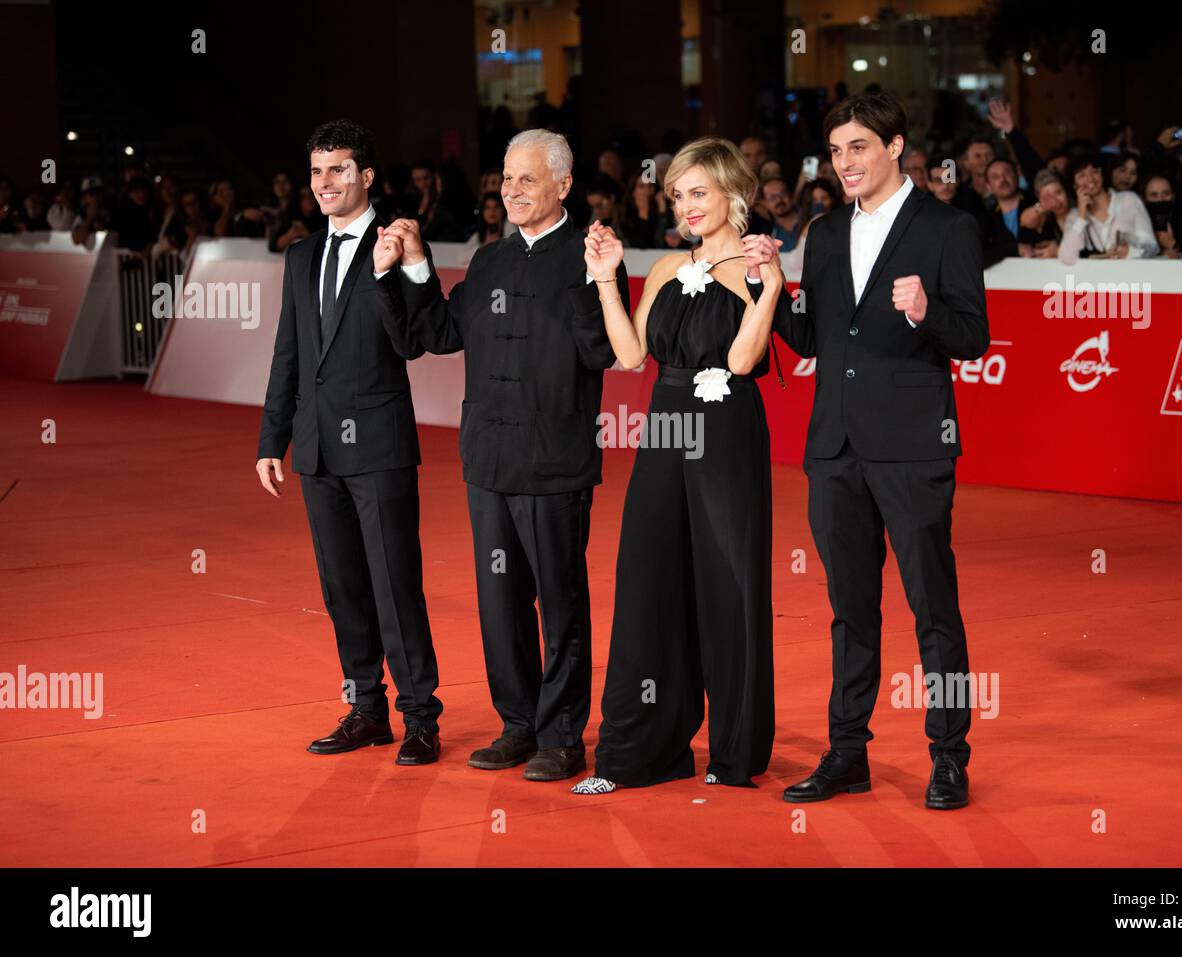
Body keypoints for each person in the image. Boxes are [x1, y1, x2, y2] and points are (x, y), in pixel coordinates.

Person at [749, 91, 989, 809]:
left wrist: (927, 312)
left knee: (932, 607)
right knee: (850, 608)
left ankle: (949, 756)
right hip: (836, 447)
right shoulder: (822, 233)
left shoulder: (947, 227)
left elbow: (972, 337)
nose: (845, 161)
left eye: (859, 147)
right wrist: (772, 284)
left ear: (895, 147)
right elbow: (814, 338)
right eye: (836, 150)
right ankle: (846, 752)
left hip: (913, 446)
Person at [375, 129, 630, 782]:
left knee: (560, 603)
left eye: (526, 179)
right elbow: (434, 333)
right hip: (487, 458)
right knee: (499, 601)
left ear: (564, 186)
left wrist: (591, 276)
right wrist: (412, 265)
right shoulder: (487, 260)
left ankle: (563, 735)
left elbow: (604, 353)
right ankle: (517, 724)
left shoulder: (593, 255)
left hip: (555, 461)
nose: (510, 190)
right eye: (506, 179)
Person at [571, 137, 784, 795]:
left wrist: (771, 285)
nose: (687, 206)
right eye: (679, 195)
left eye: (699, 192)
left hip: (726, 432)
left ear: (731, 192)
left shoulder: (757, 264)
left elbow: (746, 360)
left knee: (729, 583)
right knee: (647, 576)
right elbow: (632, 353)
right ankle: (639, 751)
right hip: (664, 428)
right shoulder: (665, 268)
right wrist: (607, 280)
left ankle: (732, 751)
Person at [255, 119, 444, 766]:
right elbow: (290, 353)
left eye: (338, 169)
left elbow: (413, 342)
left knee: (395, 584)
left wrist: (396, 272)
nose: (324, 183)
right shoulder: (300, 255)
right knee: (342, 588)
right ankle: (366, 707)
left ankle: (420, 716)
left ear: (366, 176)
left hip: (379, 444)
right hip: (316, 448)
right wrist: (270, 438)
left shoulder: (395, 243)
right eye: (316, 171)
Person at [1060, 153, 1157, 262]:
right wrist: (1082, 217)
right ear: (1074, 185)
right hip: (1095, 278)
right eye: (1082, 175)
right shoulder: (1074, 216)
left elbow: (1152, 246)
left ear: (1102, 175)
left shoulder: (1129, 200)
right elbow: (1066, 256)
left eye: (1094, 172)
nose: (1090, 179)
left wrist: (1130, 252)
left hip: (1132, 275)